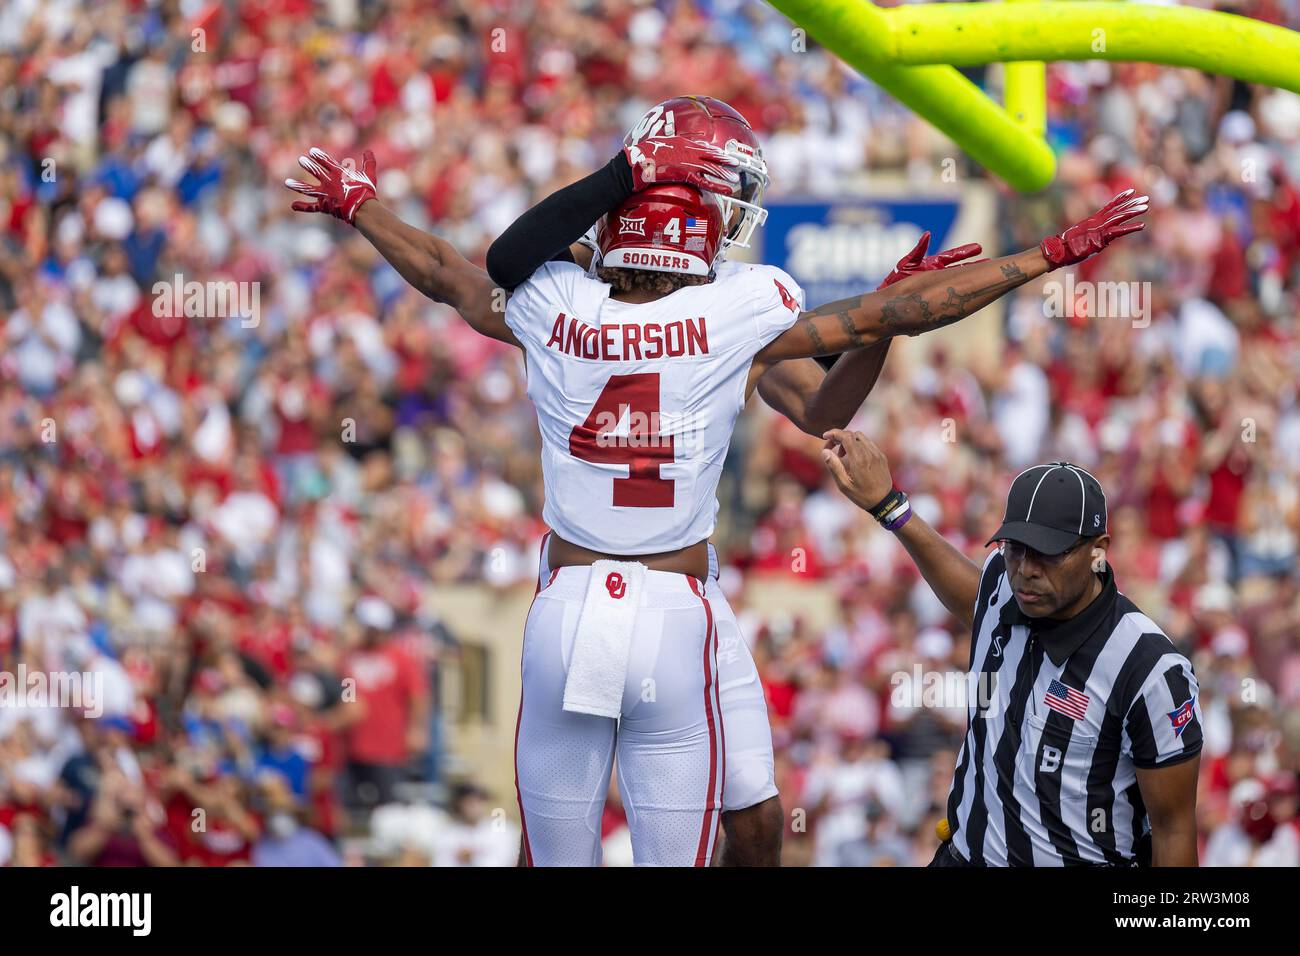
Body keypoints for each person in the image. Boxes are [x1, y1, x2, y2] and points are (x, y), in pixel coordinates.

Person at [285, 98, 1148, 865]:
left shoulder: (553, 303)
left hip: (570, 601)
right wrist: (1048, 254)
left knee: (619, 838)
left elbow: (451, 270)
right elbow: (907, 314)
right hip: (673, 605)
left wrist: (360, 207)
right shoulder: (735, 311)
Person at [821, 432, 1202, 866]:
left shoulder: (1149, 668)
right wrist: (889, 506)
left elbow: (1174, 830)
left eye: (1048, 553)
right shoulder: (1002, 590)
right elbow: (970, 588)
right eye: (1014, 549)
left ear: (1099, 552)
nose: (1025, 571)